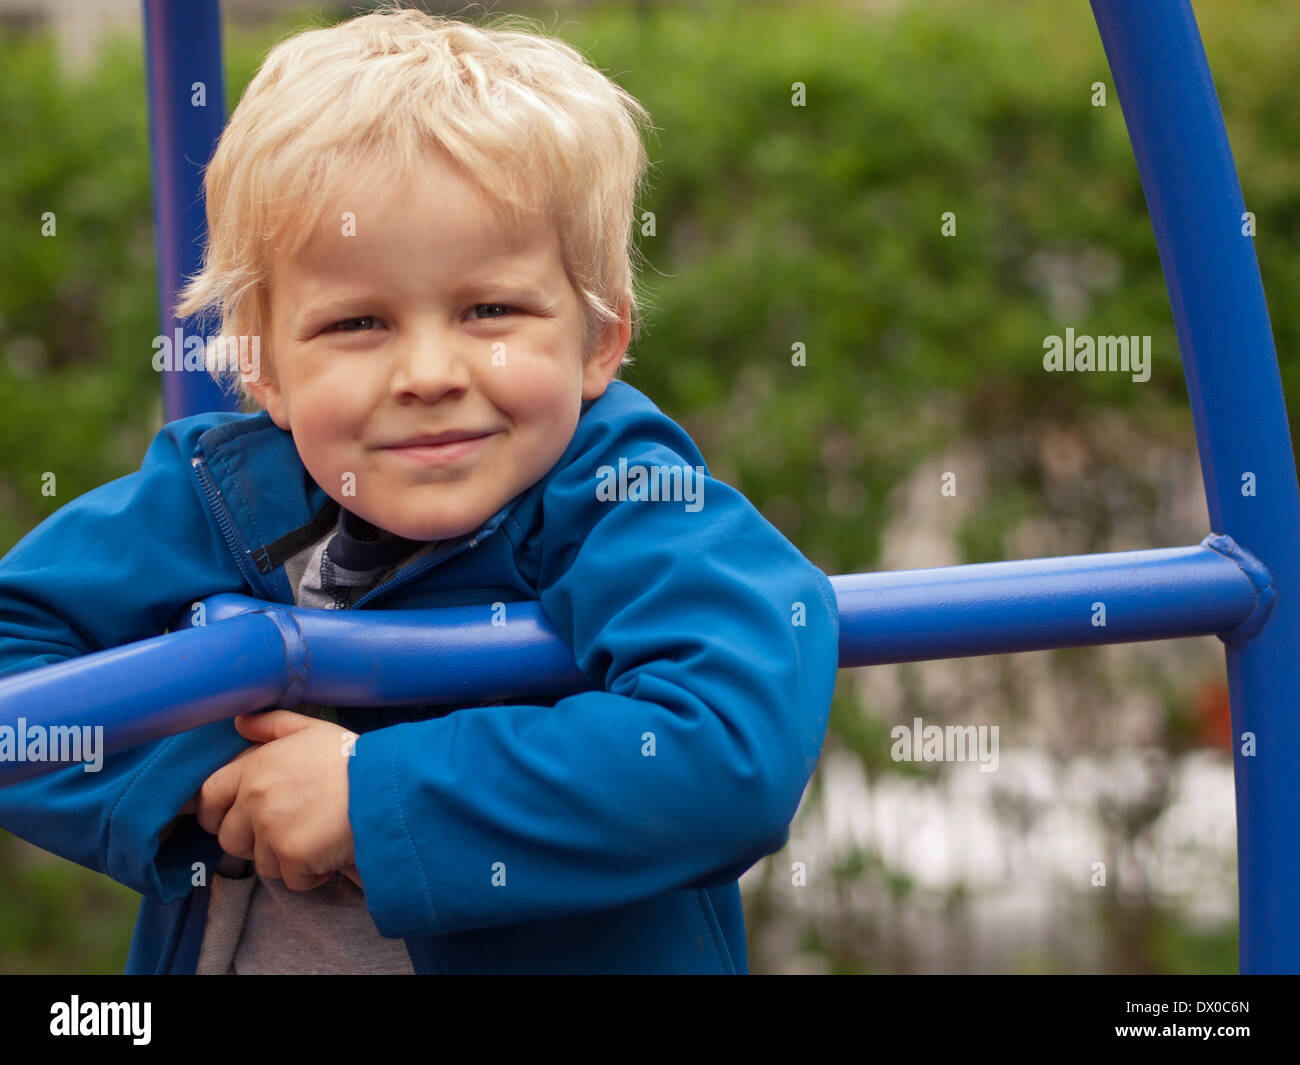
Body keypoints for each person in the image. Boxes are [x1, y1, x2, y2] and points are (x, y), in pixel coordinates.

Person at [0, 5, 839, 974]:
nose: (430, 372)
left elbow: (727, 748)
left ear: (599, 339)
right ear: (262, 367)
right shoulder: (223, 500)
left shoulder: (629, 502)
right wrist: (216, 778)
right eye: (358, 323)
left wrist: (369, 798)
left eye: (490, 309)